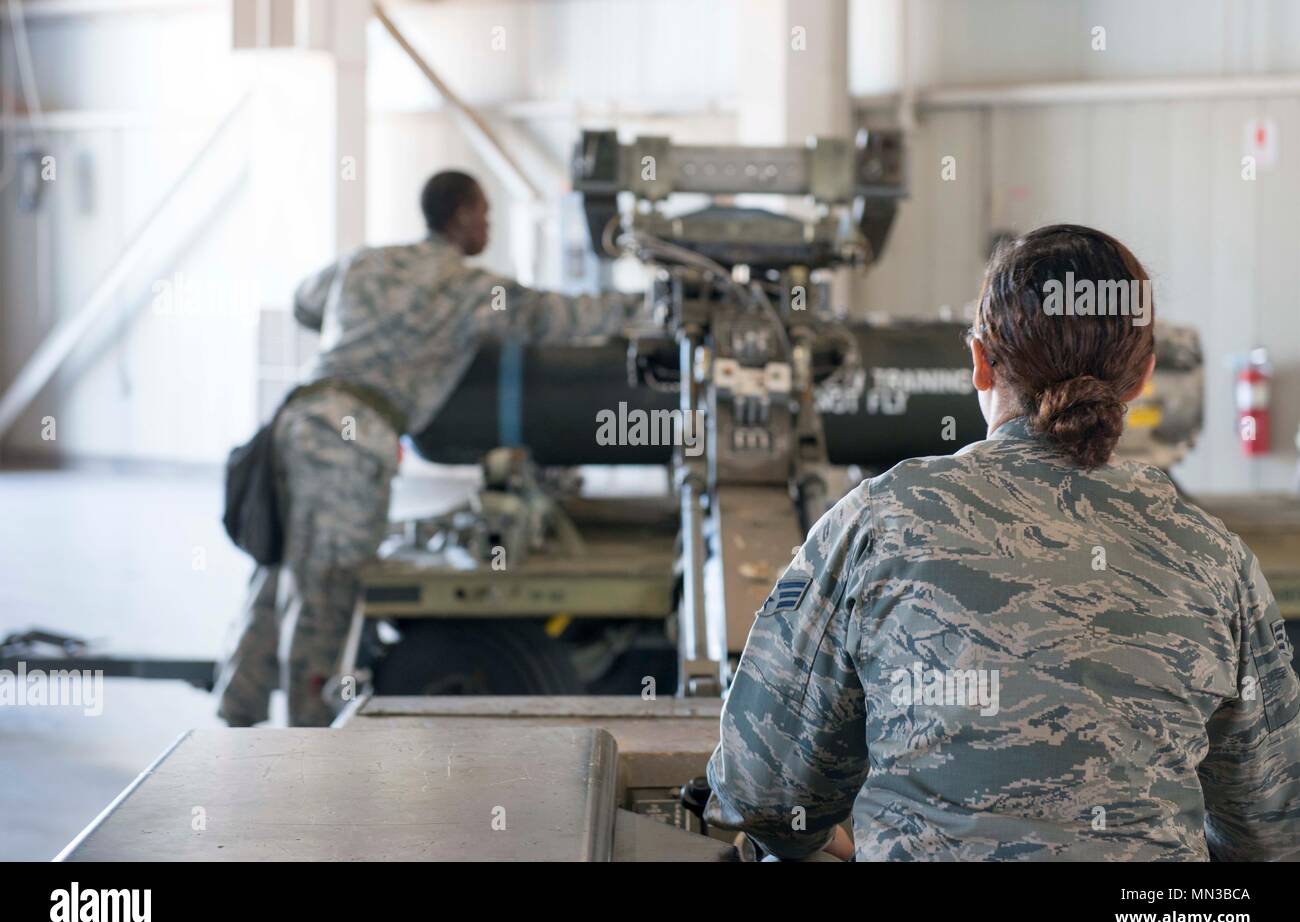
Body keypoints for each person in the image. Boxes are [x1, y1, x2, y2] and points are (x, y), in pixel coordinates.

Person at [705, 223, 1300, 861]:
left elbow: (762, 791)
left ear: (980, 360)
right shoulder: (1215, 561)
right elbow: (1272, 829)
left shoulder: (878, 523)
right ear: (1143, 378)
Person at [215, 171, 643, 726]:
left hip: (293, 424)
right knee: (326, 594)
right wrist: (643, 305)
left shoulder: (364, 261)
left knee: (279, 566)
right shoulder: (464, 288)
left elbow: (303, 303)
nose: (488, 224)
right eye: (485, 212)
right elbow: (553, 316)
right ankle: (306, 744)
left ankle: (237, 708)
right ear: (461, 214)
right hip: (350, 442)